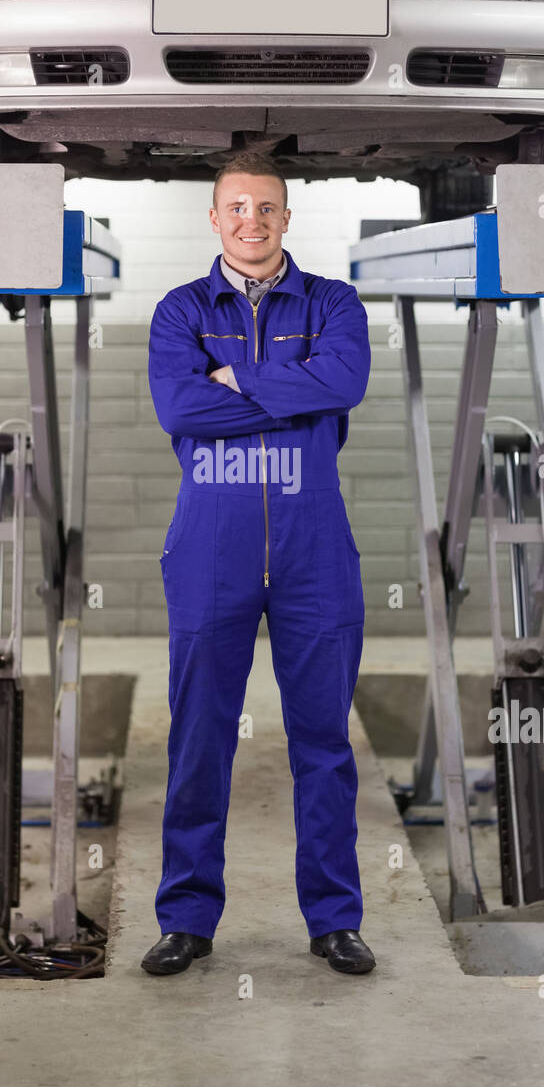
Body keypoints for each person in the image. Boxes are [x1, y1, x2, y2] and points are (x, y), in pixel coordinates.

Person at [142, 151, 375, 976]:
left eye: (267, 208)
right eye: (236, 208)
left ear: (286, 218)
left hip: (316, 548)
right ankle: (188, 918)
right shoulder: (179, 310)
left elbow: (345, 381)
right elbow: (179, 404)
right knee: (200, 738)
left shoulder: (333, 302)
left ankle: (334, 920)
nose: (252, 221)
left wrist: (235, 378)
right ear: (214, 218)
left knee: (324, 743)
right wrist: (290, 388)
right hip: (212, 546)